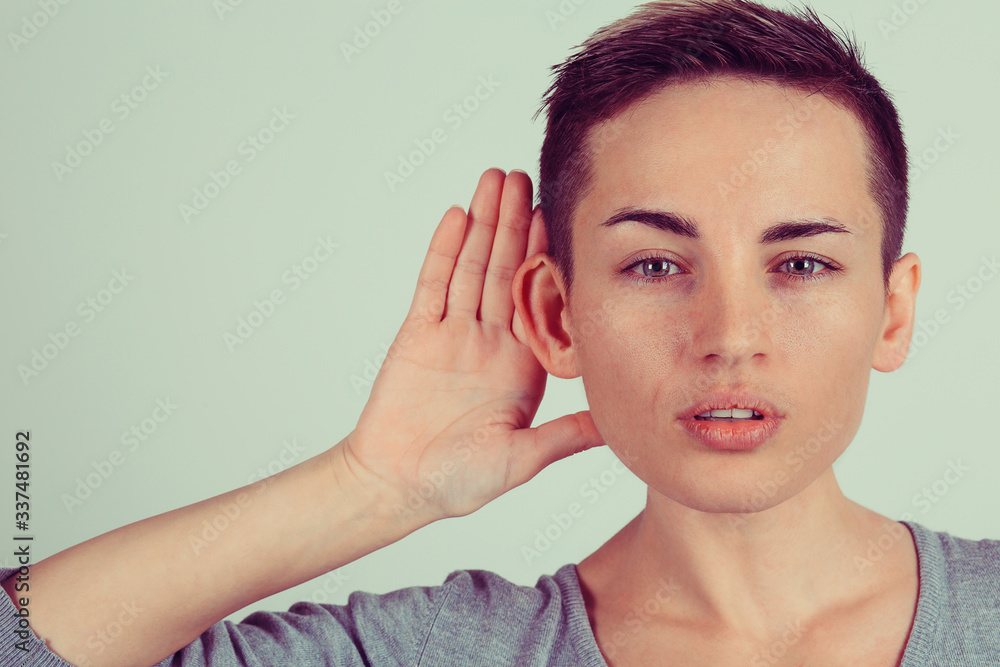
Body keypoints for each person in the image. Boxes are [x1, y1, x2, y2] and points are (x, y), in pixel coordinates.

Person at [3, 1, 998, 665]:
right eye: (655, 264)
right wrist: (371, 485)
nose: (729, 335)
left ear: (892, 308)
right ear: (556, 316)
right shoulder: (449, 649)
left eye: (800, 263)